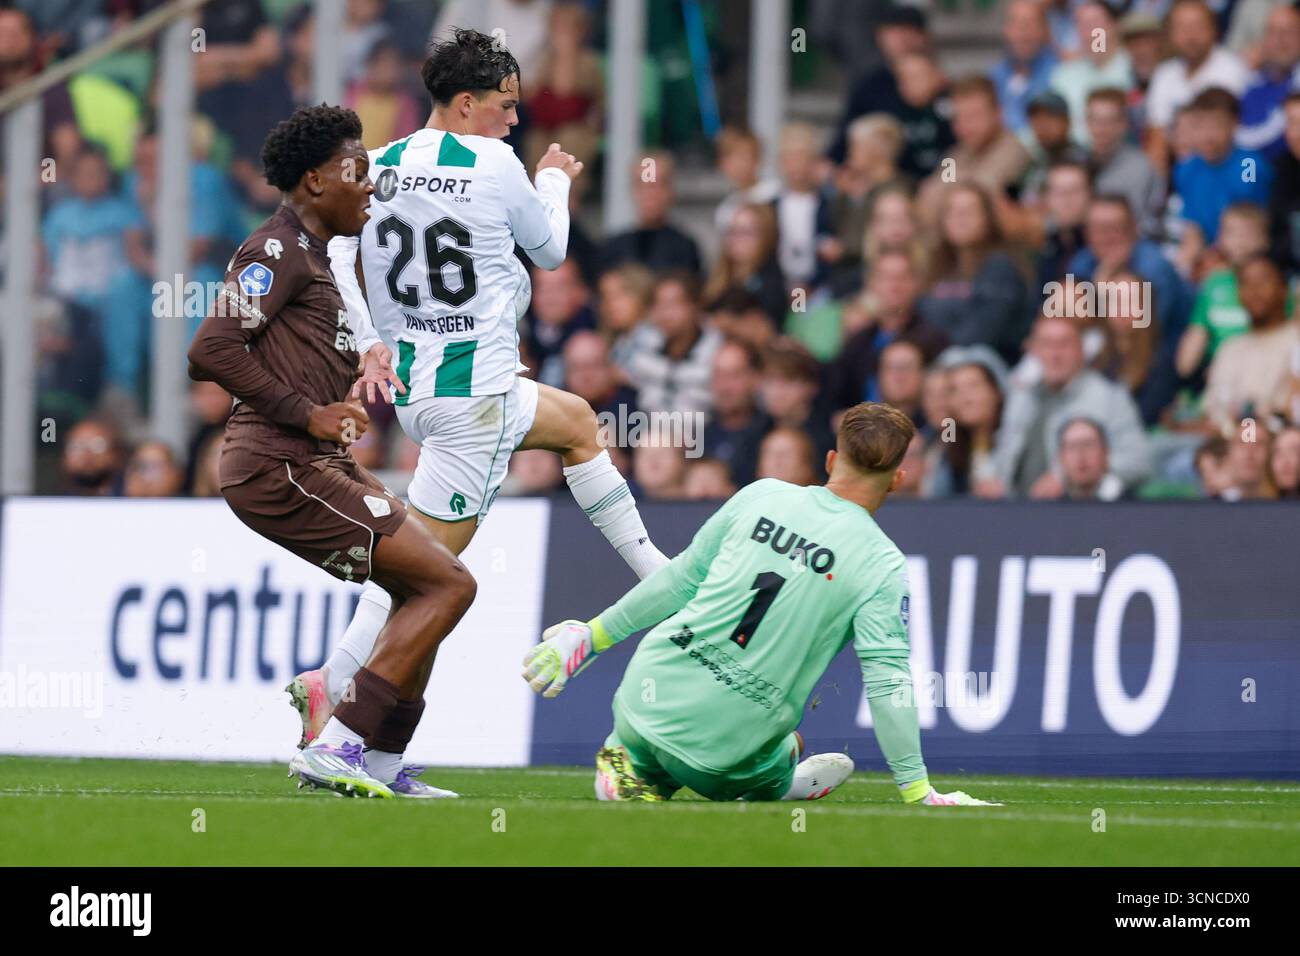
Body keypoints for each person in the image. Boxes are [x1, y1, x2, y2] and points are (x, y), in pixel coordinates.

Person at [294, 31, 673, 786]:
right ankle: (337, 711)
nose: (512, 120)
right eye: (504, 107)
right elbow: (556, 251)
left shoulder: (384, 164)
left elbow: (336, 254)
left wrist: (369, 339)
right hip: (476, 399)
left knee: (574, 423)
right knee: (429, 583)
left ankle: (657, 576)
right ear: (465, 103)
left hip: (422, 391)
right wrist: (556, 179)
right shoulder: (499, 164)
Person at [187, 104, 476, 800]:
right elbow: (210, 349)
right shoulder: (276, 252)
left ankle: (377, 761)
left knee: (425, 584)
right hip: (276, 464)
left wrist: (337, 402)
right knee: (449, 585)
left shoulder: (322, 258)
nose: (370, 187)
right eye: (358, 174)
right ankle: (341, 745)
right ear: (315, 182)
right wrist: (310, 414)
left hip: (313, 461)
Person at [521, 403, 999, 808]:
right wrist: (918, 790)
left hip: (644, 696)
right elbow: (887, 679)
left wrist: (592, 635)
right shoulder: (882, 565)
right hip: (727, 759)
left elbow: (678, 581)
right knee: (785, 748)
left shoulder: (762, 494)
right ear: (897, 479)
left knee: (659, 731)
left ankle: (627, 760)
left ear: (832, 459)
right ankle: (779, 780)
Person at [988, 313, 1151, 498]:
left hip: (1076, 510)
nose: (1055, 354)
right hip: (1011, 510)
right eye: (1046, 344)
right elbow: (1004, 451)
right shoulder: (1020, 397)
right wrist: (993, 478)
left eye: (1064, 344)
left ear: (1082, 349)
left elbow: (1139, 462)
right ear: (1033, 351)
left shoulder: (1110, 397)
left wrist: (1067, 475)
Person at [1145, 0, 1251, 174]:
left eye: (1197, 26)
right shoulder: (1164, 73)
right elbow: (1157, 138)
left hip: (1225, 167)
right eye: (1182, 28)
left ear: (1213, 29)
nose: (1190, 36)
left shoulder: (1233, 70)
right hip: (1179, 170)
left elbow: (1232, 135)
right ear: (1170, 35)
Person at [1085, 86, 1165, 238]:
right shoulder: (1077, 161)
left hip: (1133, 244)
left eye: (1109, 121)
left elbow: (1137, 226)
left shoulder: (1141, 168)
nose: (1101, 129)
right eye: (1096, 120)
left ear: (1123, 124)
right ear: (1086, 122)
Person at [1054, 416, 1126, 500]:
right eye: (1072, 447)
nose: (1080, 456)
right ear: (1061, 457)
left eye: (1088, 445)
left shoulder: (1132, 506)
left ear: (1105, 453)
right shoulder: (1048, 507)